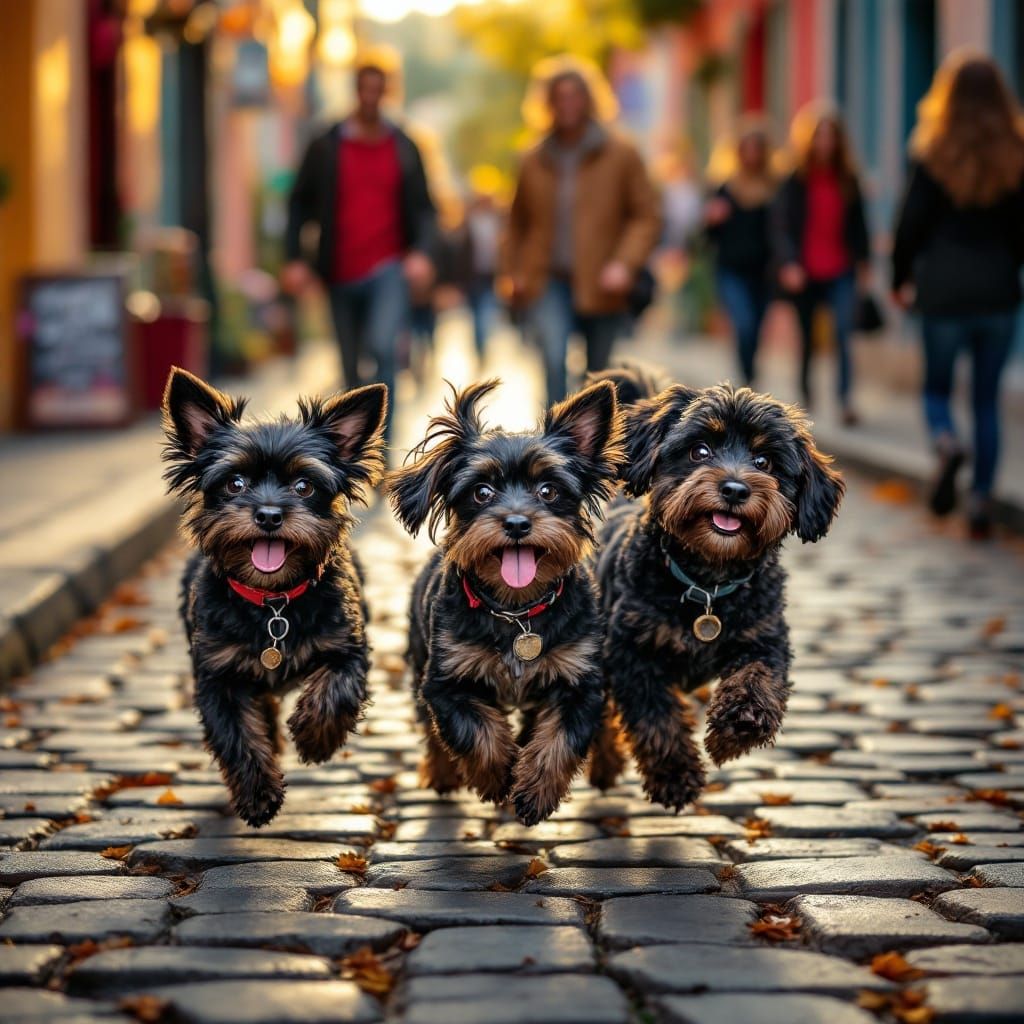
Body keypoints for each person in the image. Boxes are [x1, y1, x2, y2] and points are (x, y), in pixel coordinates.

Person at [893, 51, 1024, 539]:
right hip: (997, 292)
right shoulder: (1015, 151)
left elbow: (909, 226)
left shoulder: (931, 150)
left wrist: (898, 277)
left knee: (937, 391)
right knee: (987, 402)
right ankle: (981, 498)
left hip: (943, 291)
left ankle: (946, 442)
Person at [282, 58, 436, 438]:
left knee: (384, 350)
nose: (370, 97)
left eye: (378, 89)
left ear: (387, 92)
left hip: (388, 267)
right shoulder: (326, 143)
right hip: (338, 269)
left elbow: (425, 209)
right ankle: (358, 449)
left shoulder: (403, 145)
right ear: (355, 91)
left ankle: (384, 447)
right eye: (364, 88)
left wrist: (420, 253)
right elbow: (299, 202)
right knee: (351, 368)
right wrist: (295, 259)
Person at [503, 60, 661, 403]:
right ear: (547, 103)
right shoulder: (532, 159)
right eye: (559, 97)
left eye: (575, 96)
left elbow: (645, 216)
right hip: (547, 278)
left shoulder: (622, 153)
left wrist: (624, 263)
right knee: (552, 356)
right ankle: (554, 442)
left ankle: (592, 444)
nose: (567, 104)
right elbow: (517, 224)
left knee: (598, 374)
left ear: (590, 99)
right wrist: (512, 273)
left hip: (603, 278)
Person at [773, 103, 871, 423]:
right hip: (805, 271)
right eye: (819, 136)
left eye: (831, 136)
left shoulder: (847, 179)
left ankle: (845, 400)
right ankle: (805, 394)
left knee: (843, 331)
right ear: (809, 140)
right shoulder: (794, 179)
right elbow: (781, 225)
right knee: (808, 337)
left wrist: (865, 264)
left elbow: (860, 225)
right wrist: (788, 263)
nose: (825, 143)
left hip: (840, 267)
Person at [705, 118, 777, 385]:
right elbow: (708, 237)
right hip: (731, 269)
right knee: (744, 323)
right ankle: (747, 375)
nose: (751, 155)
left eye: (756, 148)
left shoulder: (774, 189)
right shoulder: (726, 188)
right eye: (746, 148)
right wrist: (711, 221)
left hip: (764, 271)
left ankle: (750, 370)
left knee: (756, 328)